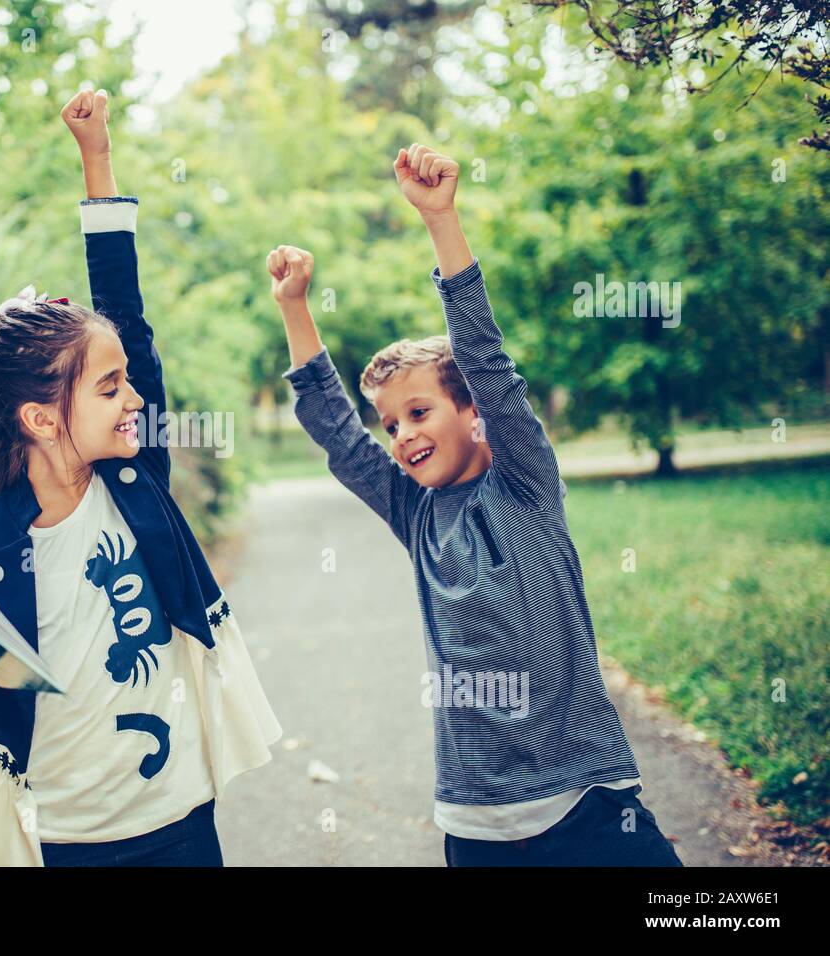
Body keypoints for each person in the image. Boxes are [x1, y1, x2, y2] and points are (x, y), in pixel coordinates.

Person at [0, 88, 280, 867]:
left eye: (128, 382)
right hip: (68, 842)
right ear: (38, 418)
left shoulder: (138, 480)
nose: (133, 399)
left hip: (181, 819)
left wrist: (96, 160)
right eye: (109, 388)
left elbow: (126, 314)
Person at [267, 143, 682, 867]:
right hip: (476, 822)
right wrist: (296, 309)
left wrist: (441, 221)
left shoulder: (525, 484)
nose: (402, 436)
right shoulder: (415, 513)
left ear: (473, 412)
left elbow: (486, 358)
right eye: (392, 425)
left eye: (419, 413)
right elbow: (338, 434)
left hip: (585, 799)